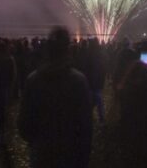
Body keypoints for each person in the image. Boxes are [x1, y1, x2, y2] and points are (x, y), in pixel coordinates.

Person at [17, 27, 93, 168]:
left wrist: (37, 141)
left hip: (41, 153)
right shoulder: (79, 81)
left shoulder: (33, 80)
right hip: (70, 154)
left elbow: (23, 125)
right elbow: (86, 126)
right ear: (68, 49)